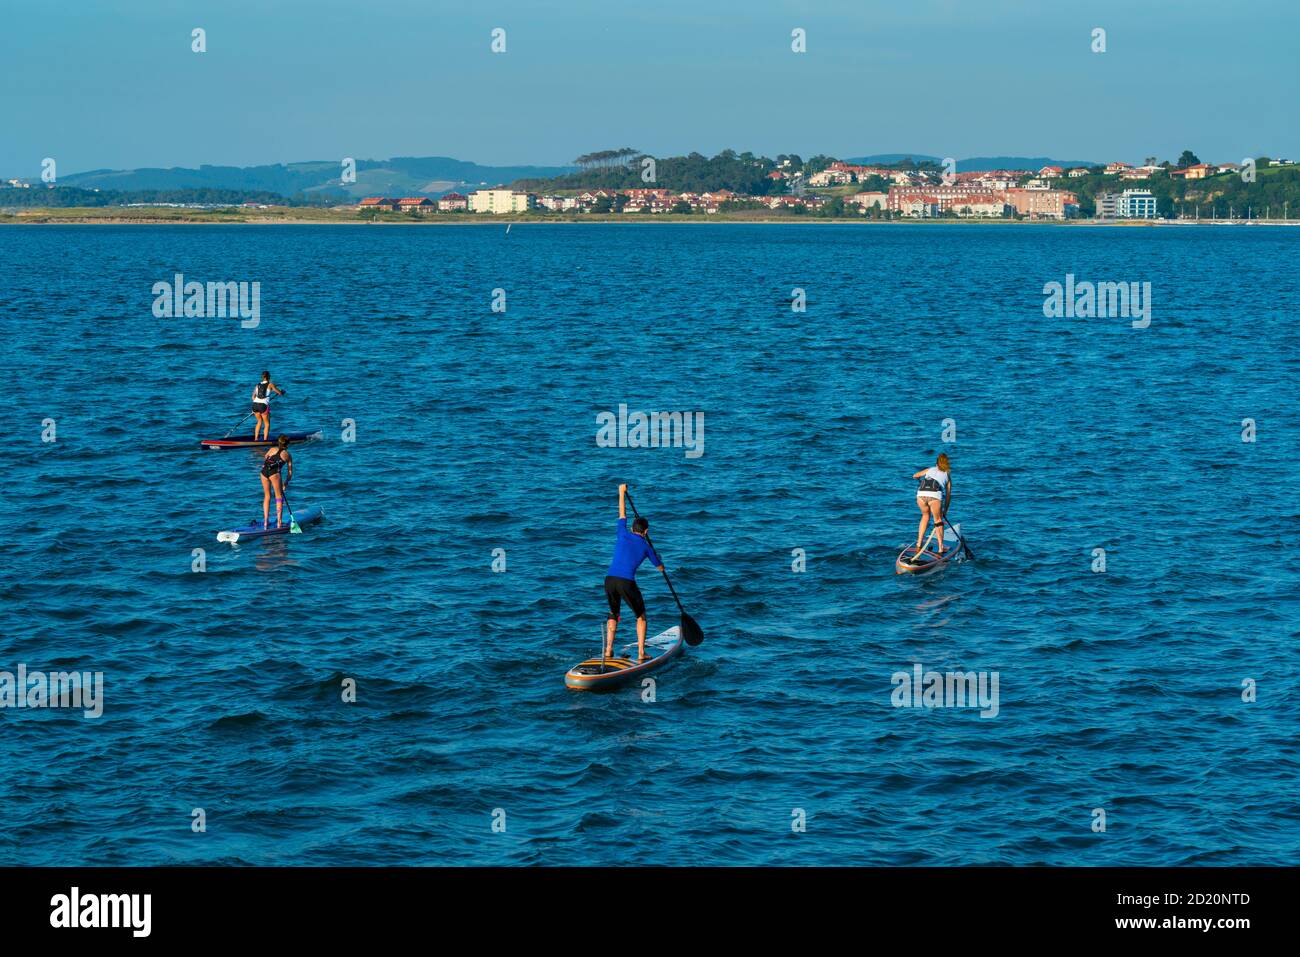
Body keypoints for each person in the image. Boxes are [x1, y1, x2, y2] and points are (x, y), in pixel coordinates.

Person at [604, 484, 664, 662]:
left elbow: (622, 512)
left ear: (632, 528)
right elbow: (660, 567)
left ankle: (608, 650)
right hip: (626, 582)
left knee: (613, 613)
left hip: (609, 580)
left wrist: (621, 492)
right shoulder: (646, 547)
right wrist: (657, 556)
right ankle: (641, 653)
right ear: (645, 531)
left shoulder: (622, 533)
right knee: (641, 616)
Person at [912, 453, 953, 556]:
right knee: (938, 521)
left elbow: (915, 475)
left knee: (925, 516)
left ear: (937, 462)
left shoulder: (929, 469)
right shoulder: (947, 475)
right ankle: (940, 547)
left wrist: (919, 479)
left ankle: (919, 543)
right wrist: (945, 511)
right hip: (934, 496)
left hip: (920, 495)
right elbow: (948, 496)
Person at [259, 435, 294, 530]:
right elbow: (290, 473)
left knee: (267, 496)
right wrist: (285, 483)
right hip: (274, 473)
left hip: (263, 472)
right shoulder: (288, 455)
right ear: (287, 444)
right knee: (278, 497)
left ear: (279, 442)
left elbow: (266, 457)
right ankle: (279, 522)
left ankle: (266, 521)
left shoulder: (272, 449)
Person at [250, 371, 285, 441]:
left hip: (255, 405)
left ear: (262, 377)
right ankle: (265, 440)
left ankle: (256, 439)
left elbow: (253, 397)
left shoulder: (257, 385)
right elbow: (279, 392)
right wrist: (282, 392)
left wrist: (257, 403)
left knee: (259, 422)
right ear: (269, 377)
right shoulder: (270, 384)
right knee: (267, 423)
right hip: (263, 406)